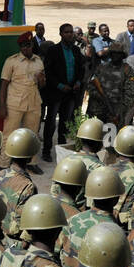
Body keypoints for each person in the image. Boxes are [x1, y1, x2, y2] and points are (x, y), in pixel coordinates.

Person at [41, 23, 86, 163]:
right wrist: (60, 86)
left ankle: (62, 149)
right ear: (61, 34)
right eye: (66, 32)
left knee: (65, 123)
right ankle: (46, 151)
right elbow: (48, 72)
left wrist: (78, 82)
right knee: (51, 123)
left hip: (71, 92)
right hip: (56, 93)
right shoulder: (53, 50)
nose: (69, 34)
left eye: (71, 32)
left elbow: (81, 69)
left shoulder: (76, 50)